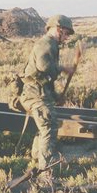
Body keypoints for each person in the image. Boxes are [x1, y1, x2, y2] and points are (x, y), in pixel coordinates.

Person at [20, 14, 76, 181]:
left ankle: (37, 159)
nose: (66, 38)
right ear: (58, 29)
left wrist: (55, 96)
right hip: (35, 94)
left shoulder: (51, 44)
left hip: (40, 93)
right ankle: (45, 172)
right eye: (65, 34)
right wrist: (63, 68)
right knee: (48, 128)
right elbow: (44, 67)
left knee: (44, 127)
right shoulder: (46, 43)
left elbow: (45, 79)